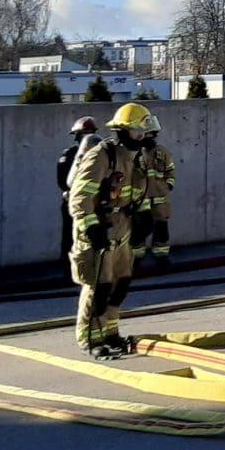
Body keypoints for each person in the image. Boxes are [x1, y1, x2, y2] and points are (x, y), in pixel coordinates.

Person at [66, 102, 155, 359]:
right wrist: (92, 229)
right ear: (124, 130)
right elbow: (79, 198)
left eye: (144, 132)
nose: (142, 137)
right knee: (99, 286)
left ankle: (110, 332)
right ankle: (90, 339)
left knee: (120, 284)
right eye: (138, 131)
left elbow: (139, 191)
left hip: (122, 229)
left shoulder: (135, 158)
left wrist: (144, 216)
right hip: (98, 229)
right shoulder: (102, 155)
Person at [130, 113, 177, 271]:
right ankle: (135, 261)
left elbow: (170, 172)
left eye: (151, 134)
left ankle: (162, 258)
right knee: (138, 232)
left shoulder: (163, 153)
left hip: (160, 201)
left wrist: (167, 186)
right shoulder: (133, 154)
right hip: (140, 201)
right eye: (146, 134)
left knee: (161, 231)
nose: (148, 137)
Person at [57, 117, 100, 268]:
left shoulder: (99, 155)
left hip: (90, 202)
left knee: (85, 236)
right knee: (71, 236)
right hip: (76, 202)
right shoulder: (70, 155)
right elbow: (63, 180)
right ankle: (69, 268)